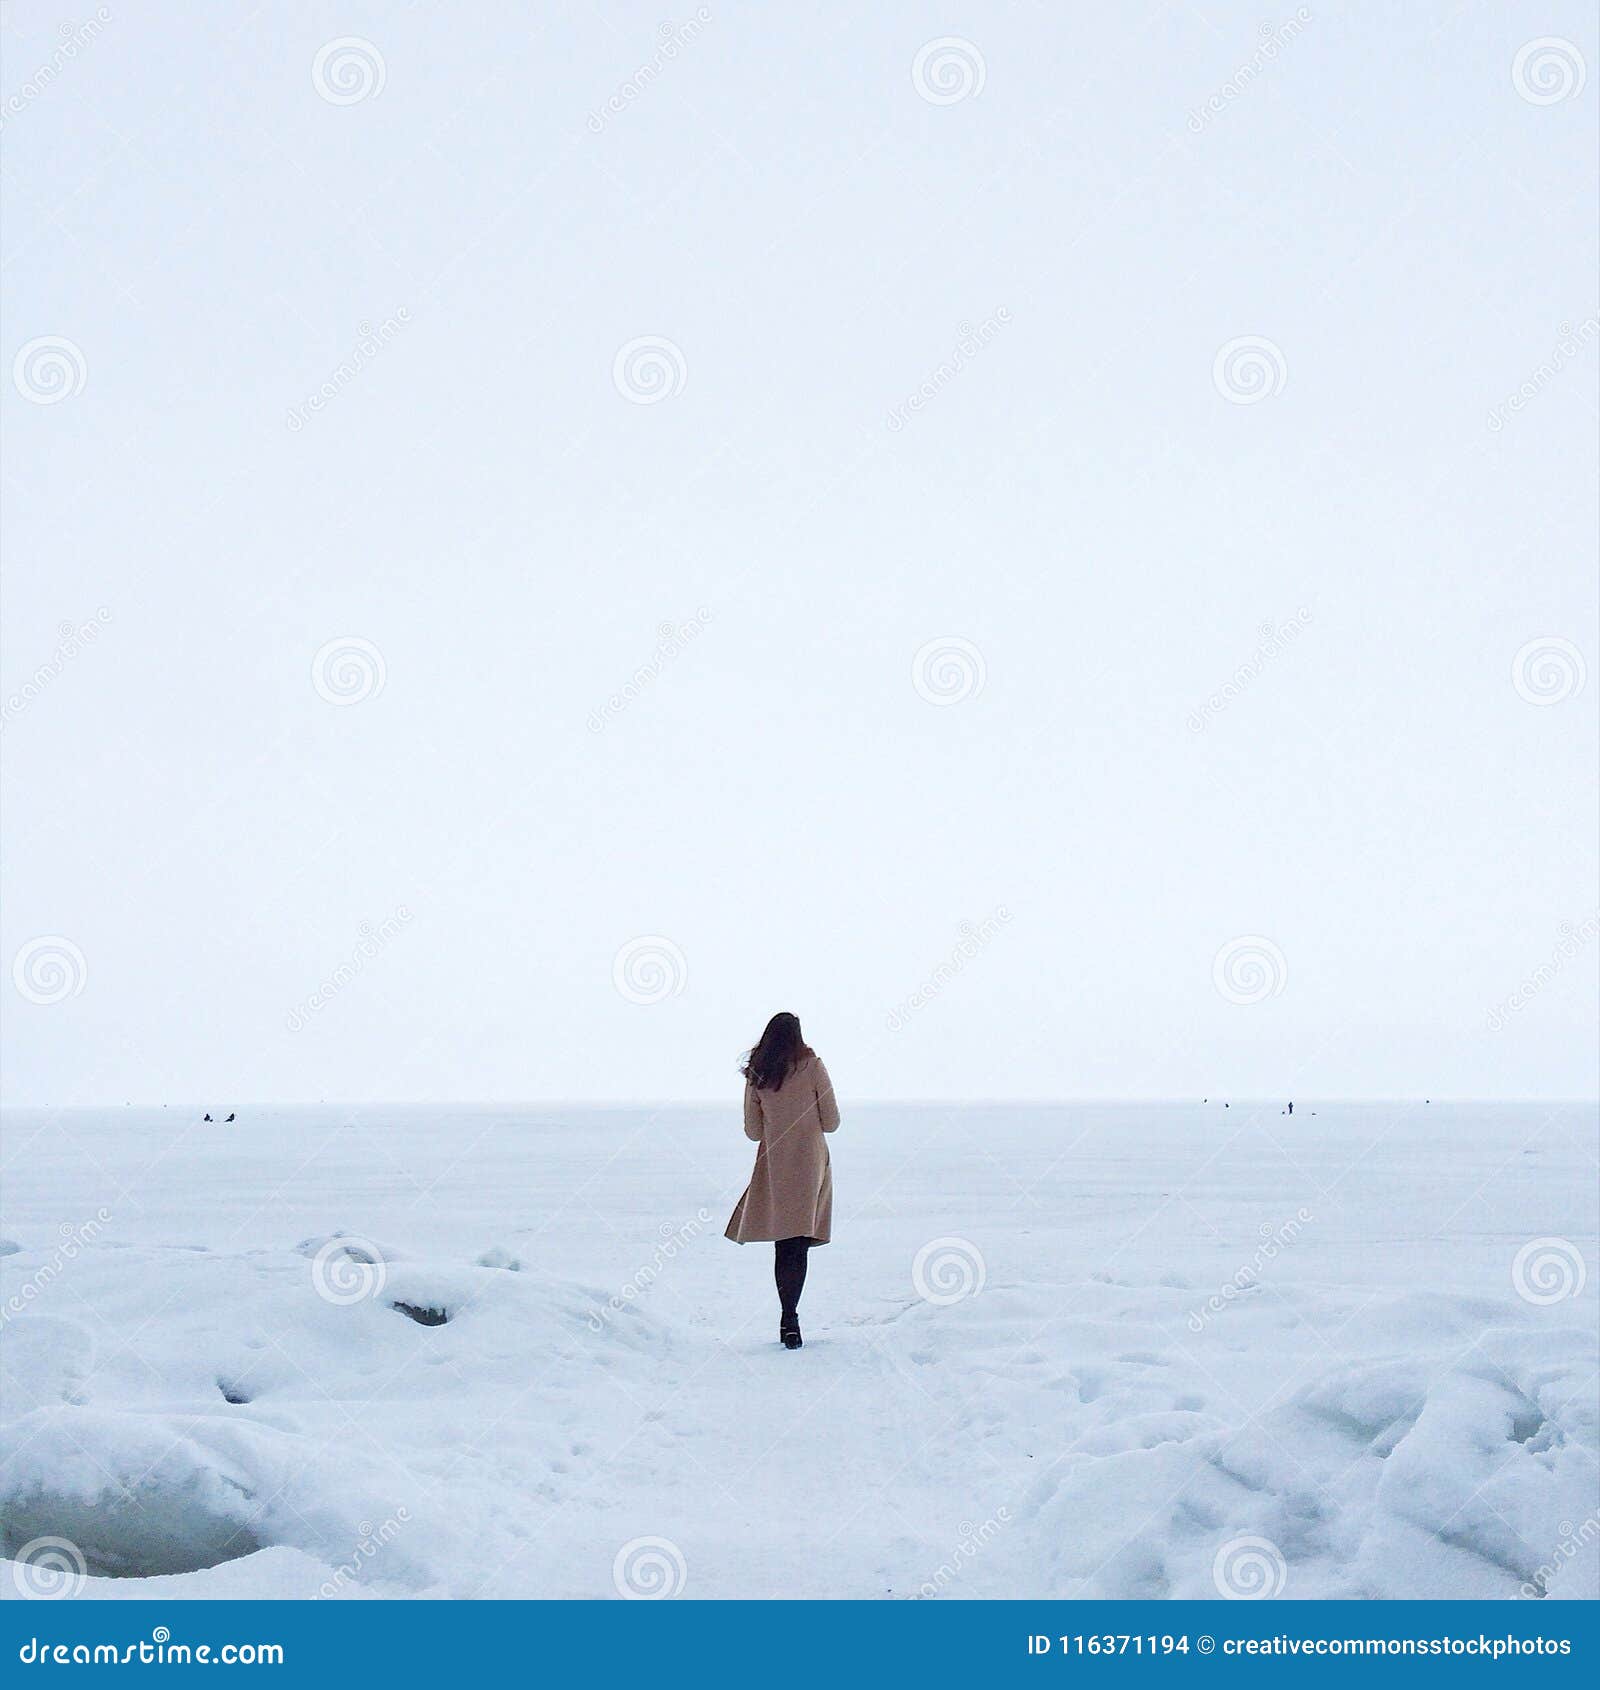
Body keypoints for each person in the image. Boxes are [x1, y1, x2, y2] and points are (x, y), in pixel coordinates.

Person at [725, 1012, 840, 1349]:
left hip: (775, 1163)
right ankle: (792, 1316)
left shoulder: (758, 1074)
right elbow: (831, 1122)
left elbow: (753, 1131)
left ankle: (787, 1317)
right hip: (809, 1163)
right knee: (799, 1241)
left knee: (784, 1241)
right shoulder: (814, 1067)